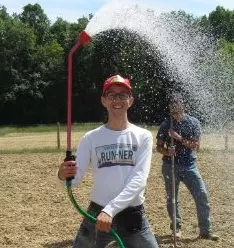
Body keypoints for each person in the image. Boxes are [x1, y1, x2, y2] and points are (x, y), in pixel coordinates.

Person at [57, 74, 159, 248]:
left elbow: (139, 180)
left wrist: (110, 211)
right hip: (97, 214)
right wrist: (62, 175)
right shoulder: (90, 138)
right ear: (103, 100)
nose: (117, 100)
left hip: (131, 215)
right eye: (111, 95)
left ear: (130, 100)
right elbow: (74, 179)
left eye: (122, 95)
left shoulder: (143, 136)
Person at [156, 93, 218, 241]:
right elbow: (158, 147)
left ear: (183, 106)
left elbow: (195, 145)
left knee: (201, 195)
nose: (174, 108)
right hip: (169, 166)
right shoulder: (166, 124)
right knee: (172, 199)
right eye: (172, 106)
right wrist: (167, 151)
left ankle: (206, 231)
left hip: (189, 166)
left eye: (177, 105)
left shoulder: (193, 122)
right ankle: (176, 229)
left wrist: (178, 138)